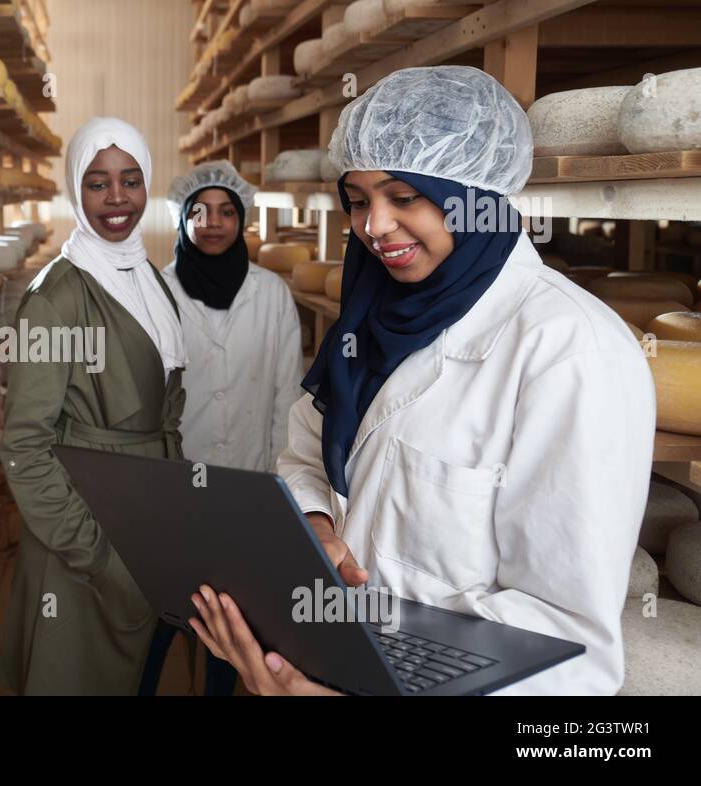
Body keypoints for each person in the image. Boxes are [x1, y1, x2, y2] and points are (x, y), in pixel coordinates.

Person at [189, 66, 656, 696]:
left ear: (475, 193)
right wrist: (319, 530)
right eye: (357, 200)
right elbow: (305, 455)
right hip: (329, 657)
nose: (373, 227)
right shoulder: (370, 315)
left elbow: (569, 647)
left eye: (403, 196)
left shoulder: (570, 352)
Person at [0, 117, 187, 695]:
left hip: (144, 519)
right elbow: (25, 447)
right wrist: (100, 558)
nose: (117, 199)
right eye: (98, 183)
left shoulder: (145, 276)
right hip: (82, 537)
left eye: (130, 181)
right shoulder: (56, 297)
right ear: (75, 189)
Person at [138, 162, 303, 695]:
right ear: (182, 218)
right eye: (200, 211)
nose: (213, 222)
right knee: (165, 612)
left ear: (243, 220)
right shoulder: (155, 291)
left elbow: (287, 392)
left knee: (232, 616)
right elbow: (146, 393)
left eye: (227, 211)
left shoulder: (272, 293)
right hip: (176, 480)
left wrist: (276, 483)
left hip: (249, 480)